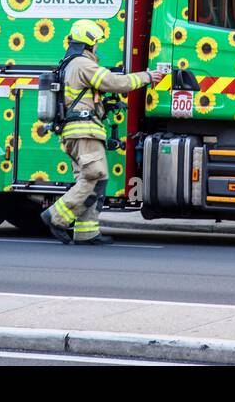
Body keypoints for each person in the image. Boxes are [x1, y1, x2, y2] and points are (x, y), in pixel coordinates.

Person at [41, 19, 165, 245]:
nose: (98, 47)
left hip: (79, 131)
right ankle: (56, 217)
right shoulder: (82, 64)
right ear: (88, 43)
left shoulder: (72, 63)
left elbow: (87, 95)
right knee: (95, 175)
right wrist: (147, 77)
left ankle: (87, 232)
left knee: (92, 178)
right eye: (96, 43)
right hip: (84, 131)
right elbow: (114, 82)